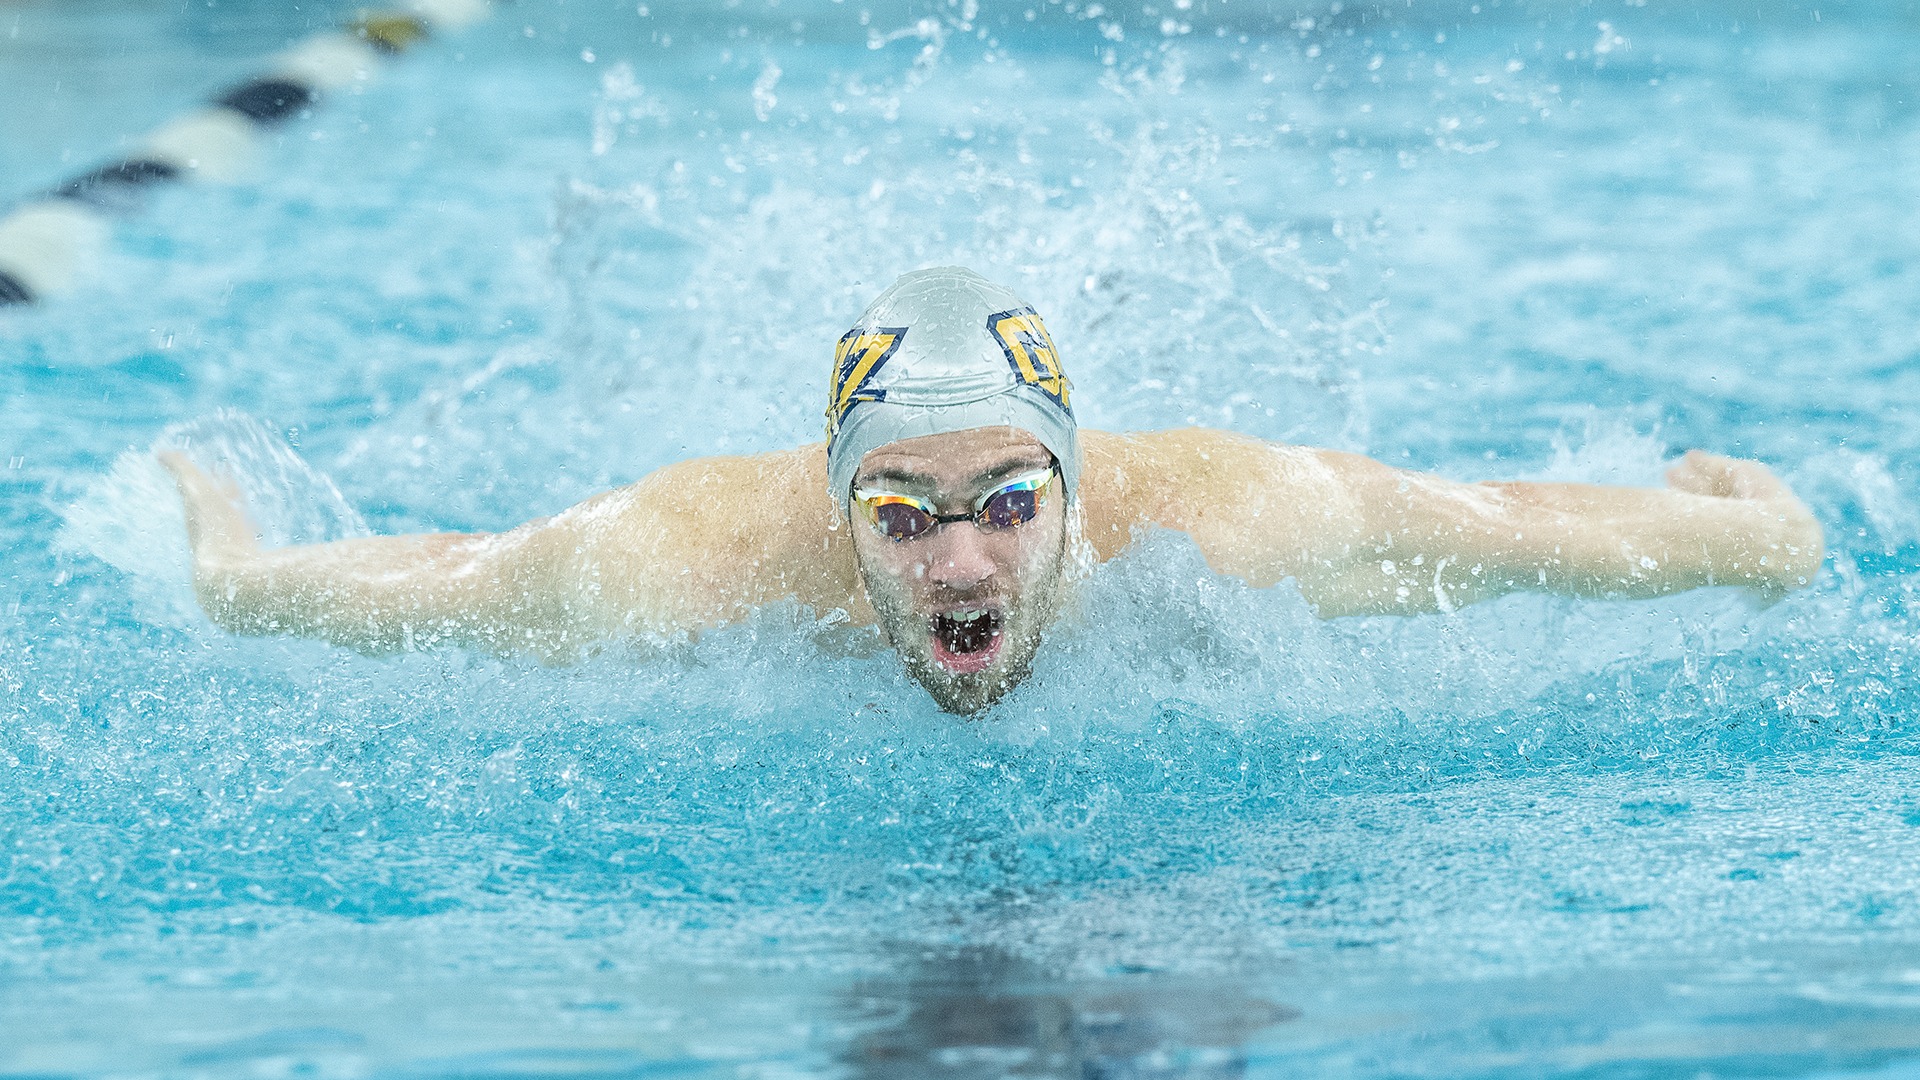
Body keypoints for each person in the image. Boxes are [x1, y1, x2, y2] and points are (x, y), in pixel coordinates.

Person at [162, 267, 1824, 713]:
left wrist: (1757, 535)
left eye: (1008, 504)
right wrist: (233, 566)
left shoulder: (1228, 518)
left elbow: (1511, 531)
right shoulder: (686, 561)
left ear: (1080, 494)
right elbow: (445, 582)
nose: (960, 557)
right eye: (899, 515)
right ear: (836, 514)